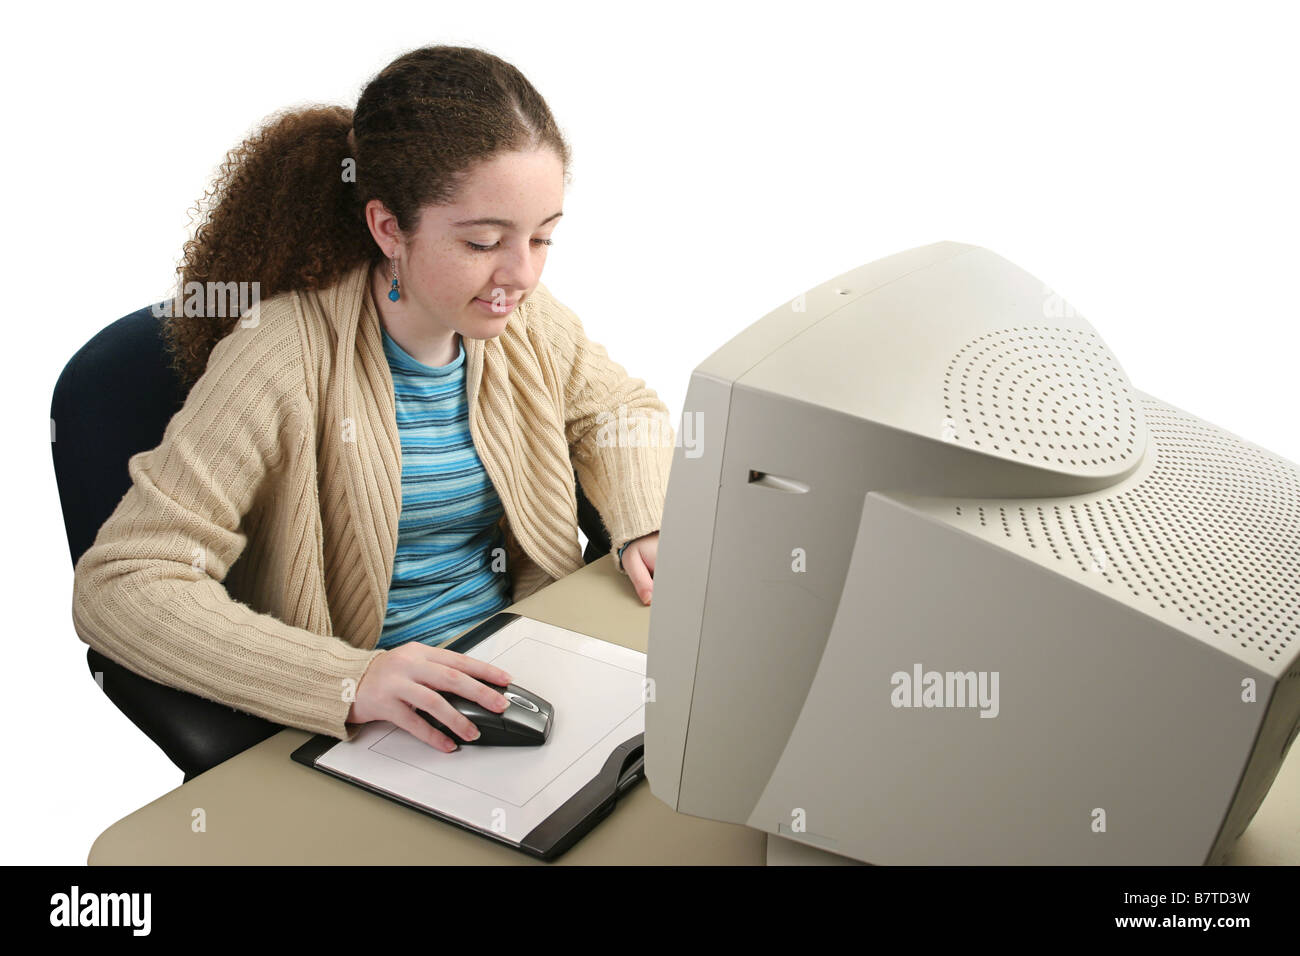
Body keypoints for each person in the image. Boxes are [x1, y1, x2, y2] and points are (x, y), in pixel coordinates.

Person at [71, 45, 675, 755]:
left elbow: (619, 410)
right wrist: (349, 680)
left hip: (531, 663)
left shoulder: (526, 324)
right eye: (484, 241)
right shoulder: (280, 358)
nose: (522, 273)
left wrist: (641, 521)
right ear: (388, 227)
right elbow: (121, 582)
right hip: (377, 724)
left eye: (542, 236)